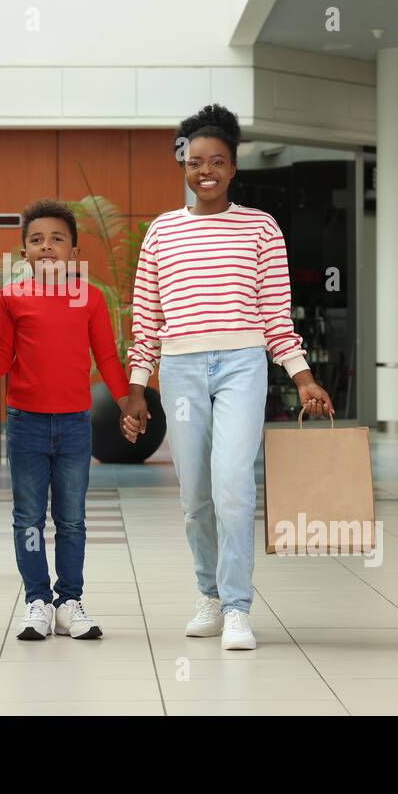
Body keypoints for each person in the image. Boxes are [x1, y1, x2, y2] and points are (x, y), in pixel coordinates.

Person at [120, 103, 333, 651]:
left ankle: (238, 607)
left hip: (242, 365)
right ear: (183, 167)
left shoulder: (261, 226)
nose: (205, 170)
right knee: (195, 494)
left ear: (234, 168)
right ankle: (208, 596)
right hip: (183, 370)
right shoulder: (161, 233)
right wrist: (137, 387)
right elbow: (146, 317)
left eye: (216, 161)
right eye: (194, 162)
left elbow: (275, 314)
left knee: (234, 486)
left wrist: (302, 377)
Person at [0, 199, 131, 641]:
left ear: (74, 252)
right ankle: (37, 602)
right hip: (26, 423)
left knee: (71, 519)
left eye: (56, 239)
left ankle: (70, 601)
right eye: (36, 240)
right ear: (24, 252)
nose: (46, 246)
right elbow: (1, 354)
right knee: (28, 517)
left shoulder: (88, 299)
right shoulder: (11, 297)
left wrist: (128, 402)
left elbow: (106, 356)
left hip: (74, 425)